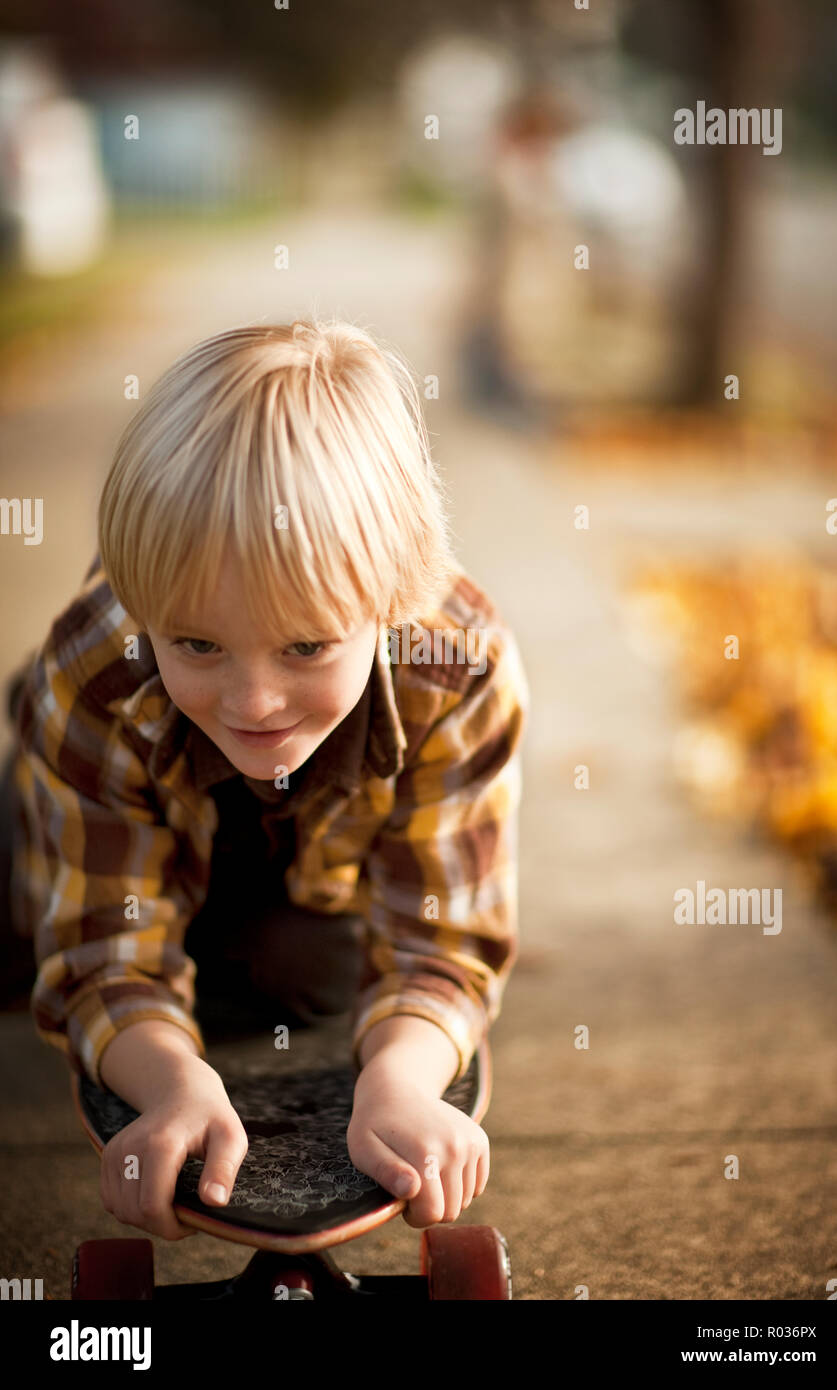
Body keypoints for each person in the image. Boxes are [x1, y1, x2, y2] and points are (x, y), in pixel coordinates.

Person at [7, 318, 529, 1239]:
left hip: (303, 855)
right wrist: (169, 1080)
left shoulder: (461, 665)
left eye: (306, 645)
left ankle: (223, 945)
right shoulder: (92, 668)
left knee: (299, 981)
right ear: (144, 608)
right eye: (198, 643)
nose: (254, 700)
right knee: (19, 935)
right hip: (89, 803)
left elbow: (443, 942)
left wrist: (402, 1080)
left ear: (387, 597)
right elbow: (95, 948)